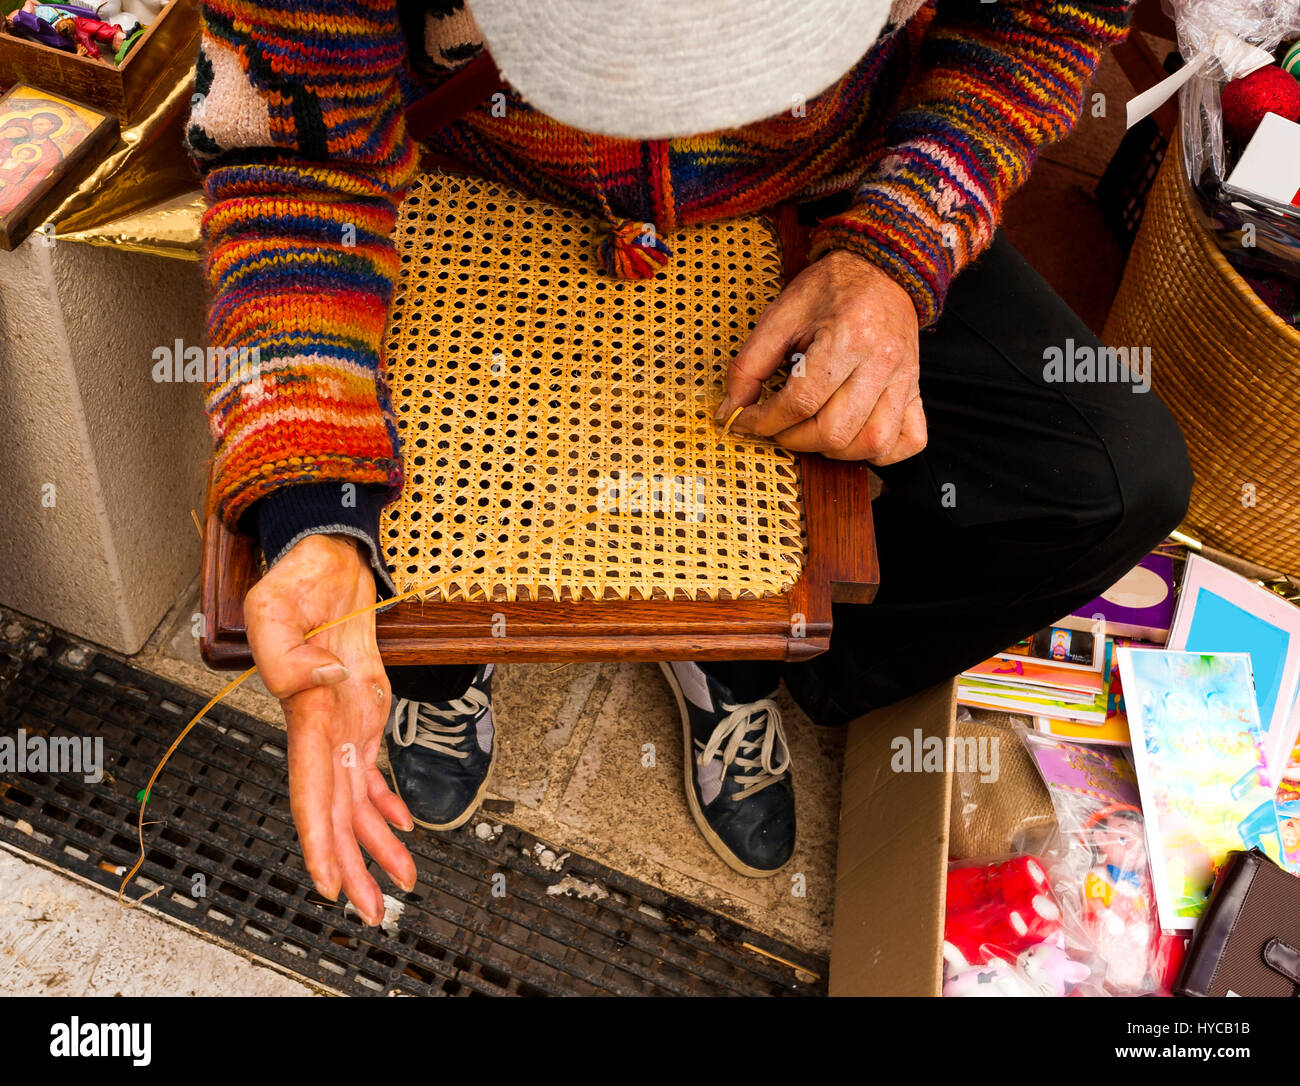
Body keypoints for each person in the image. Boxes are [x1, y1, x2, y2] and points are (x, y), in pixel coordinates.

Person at [186, 0, 1192, 925]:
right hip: (472, 170)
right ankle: (442, 661)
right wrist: (314, 505)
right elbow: (290, 151)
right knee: (426, 495)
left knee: (1112, 477)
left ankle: (742, 653)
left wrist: (899, 241)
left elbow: (1044, 17)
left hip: (822, 177)